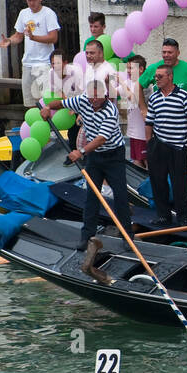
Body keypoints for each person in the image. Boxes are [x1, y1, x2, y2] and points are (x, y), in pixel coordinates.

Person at [39, 63, 131, 247]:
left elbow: (101, 139)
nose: (94, 100)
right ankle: (86, 237)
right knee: (91, 196)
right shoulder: (83, 100)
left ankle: (127, 237)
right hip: (95, 157)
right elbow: (61, 103)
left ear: (104, 95)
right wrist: (48, 107)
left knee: (120, 196)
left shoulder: (111, 111)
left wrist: (80, 151)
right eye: (91, 97)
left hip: (113, 156)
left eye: (97, 97)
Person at [145, 63, 187, 227]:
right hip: (158, 145)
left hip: (177, 147)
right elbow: (149, 122)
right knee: (158, 182)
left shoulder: (183, 96)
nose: (156, 79)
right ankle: (163, 216)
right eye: (155, 77)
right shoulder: (154, 97)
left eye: (160, 77)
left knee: (179, 184)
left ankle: (183, 218)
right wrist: (149, 145)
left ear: (170, 77)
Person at [0, 0, 61, 103]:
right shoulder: (23, 13)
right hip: (27, 63)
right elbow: (18, 36)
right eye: (29, 0)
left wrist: (33, 37)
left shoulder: (48, 13)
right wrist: (9, 40)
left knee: (46, 101)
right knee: (30, 102)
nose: (31, 2)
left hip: (44, 63)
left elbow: (53, 38)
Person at [141, 38, 187, 114]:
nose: (166, 55)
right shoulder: (154, 68)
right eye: (164, 52)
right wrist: (143, 109)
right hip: (159, 119)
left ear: (178, 53)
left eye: (170, 52)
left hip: (184, 119)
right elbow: (138, 86)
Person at [122, 55, 149, 167]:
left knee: (146, 160)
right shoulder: (129, 82)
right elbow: (114, 91)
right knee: (137, 160)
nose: (128, 71)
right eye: (127, 68)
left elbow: (134, 98)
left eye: (131, 68)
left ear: (141, 69)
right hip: (134, 132)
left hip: (142, 133)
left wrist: (121, 82)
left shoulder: (145, 85)